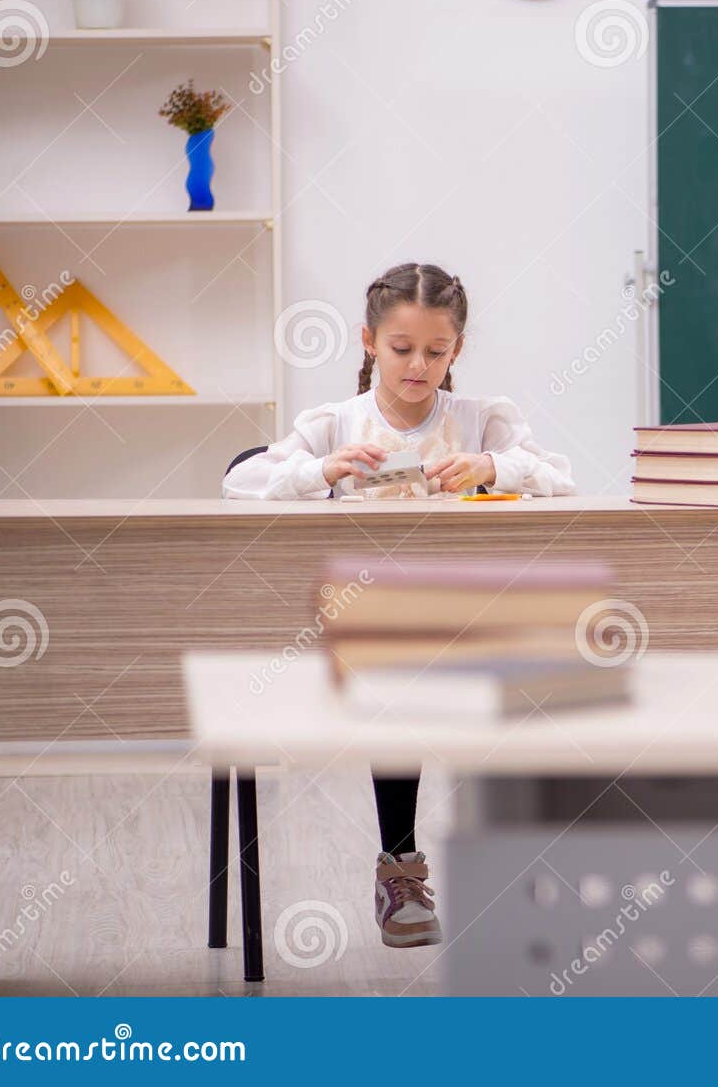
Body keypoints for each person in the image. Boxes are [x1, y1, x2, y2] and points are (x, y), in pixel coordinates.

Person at [224, 262, 576, 946]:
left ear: (458, 351)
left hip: (470, 616)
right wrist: (319, 472)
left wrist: (493, 468)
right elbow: (239, 480)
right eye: (401, 349)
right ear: (368, 342)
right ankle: (401, 867)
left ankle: (512, 860)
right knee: (404, 668)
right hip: (369, 628)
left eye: (436, 352)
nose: (419, 366)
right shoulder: (336, 424)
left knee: (534, 672)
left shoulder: (481, 422)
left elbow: (560, 478)